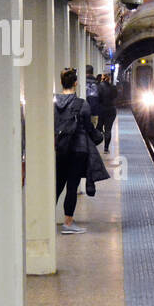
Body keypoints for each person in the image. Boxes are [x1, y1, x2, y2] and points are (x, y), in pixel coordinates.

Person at [54, 67, 102, 234]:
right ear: (76, 83)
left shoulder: (52, 103)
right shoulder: (82, 104)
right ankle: (68, 223)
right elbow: (89, 128)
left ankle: (45, 220)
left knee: (57, 185)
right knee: (72, 186)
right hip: (78, 150)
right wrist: (99, 137)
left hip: (59, 149)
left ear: (61, 82)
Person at [97, 74, 117, 152]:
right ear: (109, 79)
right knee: (108, 129)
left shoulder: (99, 86)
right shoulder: (113, 87)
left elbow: (98, 98)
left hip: (102, 110)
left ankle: (96, 145)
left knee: (99, 127)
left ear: (103, 78)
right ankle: (106, 148)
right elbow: (115, 96)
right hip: (111, 110)